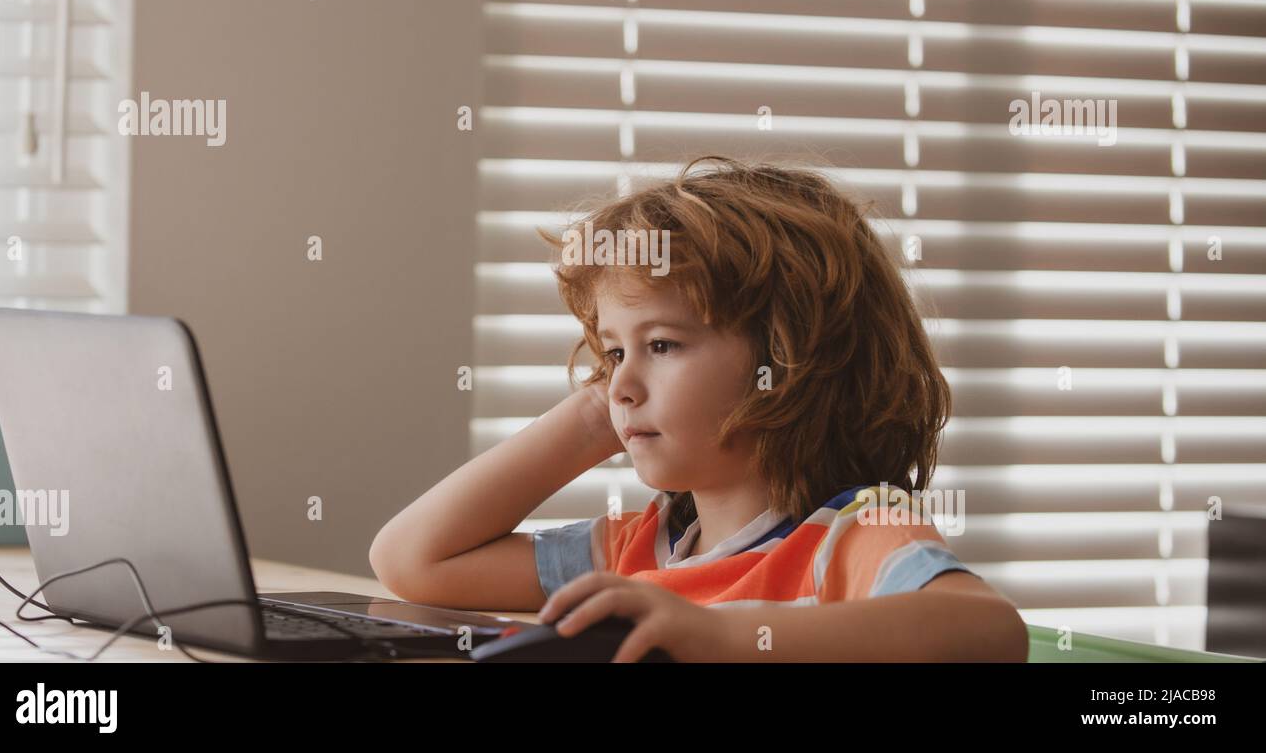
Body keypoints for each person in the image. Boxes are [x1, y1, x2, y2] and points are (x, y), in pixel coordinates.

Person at [370, 156, 1027, 662]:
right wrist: (596, 414)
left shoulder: (849, 538)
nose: (621, 379)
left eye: (660, 344)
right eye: (610, 351)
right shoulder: (634, 550)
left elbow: (990, 631)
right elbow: (410, 559)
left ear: (788, 358)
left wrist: (721, 634)